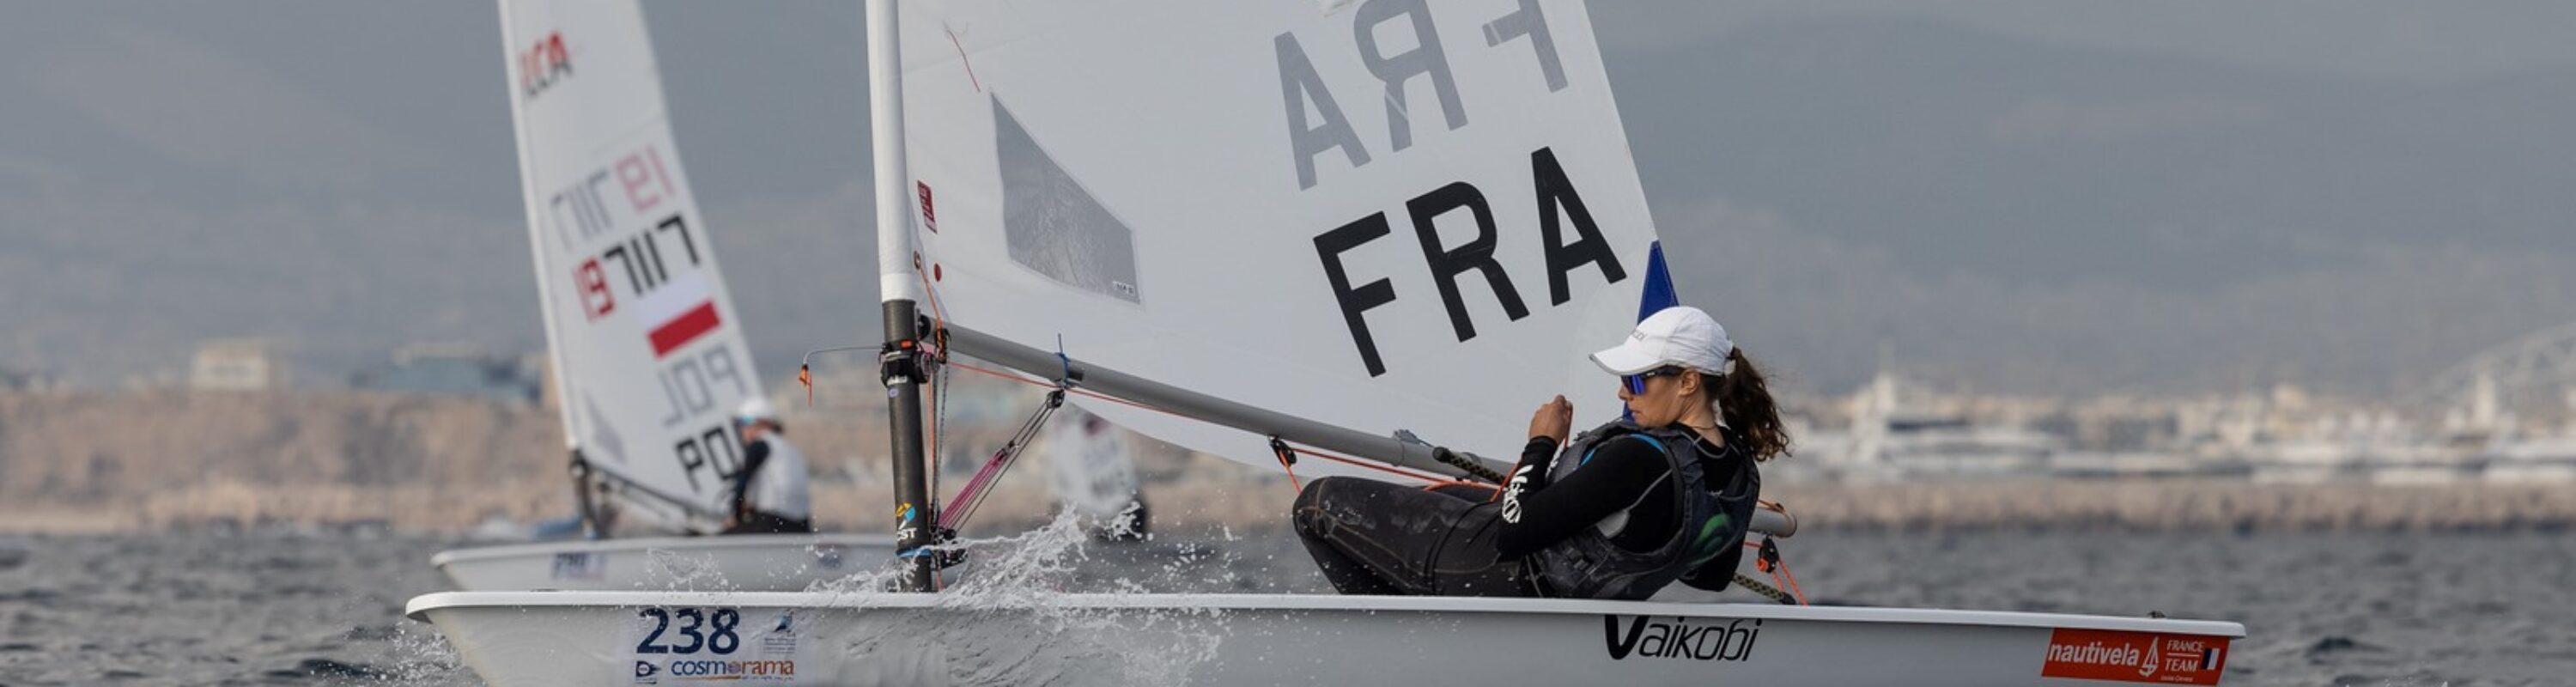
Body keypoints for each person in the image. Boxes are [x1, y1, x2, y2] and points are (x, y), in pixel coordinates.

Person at [1291, 306, 1787, 599]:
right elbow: (1713, 577)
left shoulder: (1640, 459)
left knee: (1316, 503)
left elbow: (1512, 535)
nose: (1622, 395)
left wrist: (1541, 444)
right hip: (1587, 596)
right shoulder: (1741, 469)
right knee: (1448, 492)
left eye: (1635, 380)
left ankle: (1404, 646)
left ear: (1687, 382)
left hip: (1512, 577)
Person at [722, 398, 815, 534]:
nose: (742, 429)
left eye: (745, 422)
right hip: (802, 527)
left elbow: (742, 483)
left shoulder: (760, 445)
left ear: (765, 423)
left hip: (772, 524)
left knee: (720, 537)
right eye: (739, 424)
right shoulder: (792, 450)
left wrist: (736, 516)